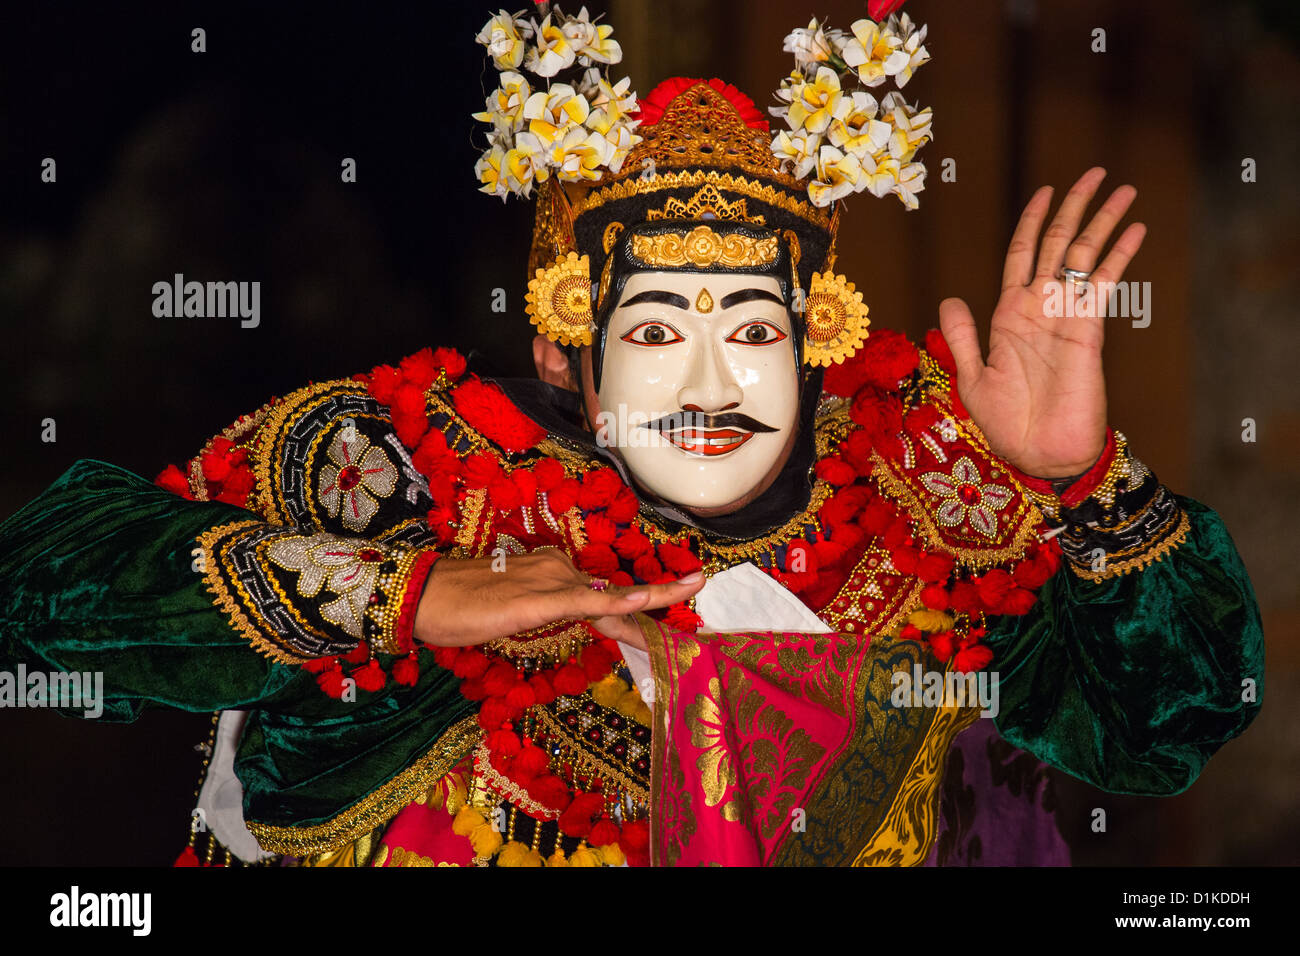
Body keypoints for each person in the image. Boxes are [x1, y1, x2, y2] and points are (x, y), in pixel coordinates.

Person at [0, 4, 1262, 867]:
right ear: (568, 354)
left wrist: (1082, 484)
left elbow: (1165, 730)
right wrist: (413, 592)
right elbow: (45, 582)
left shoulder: (918, 508)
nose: (712, 381)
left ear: (813, 336)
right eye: (656, 333)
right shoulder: (423, 473)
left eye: (753, 332)